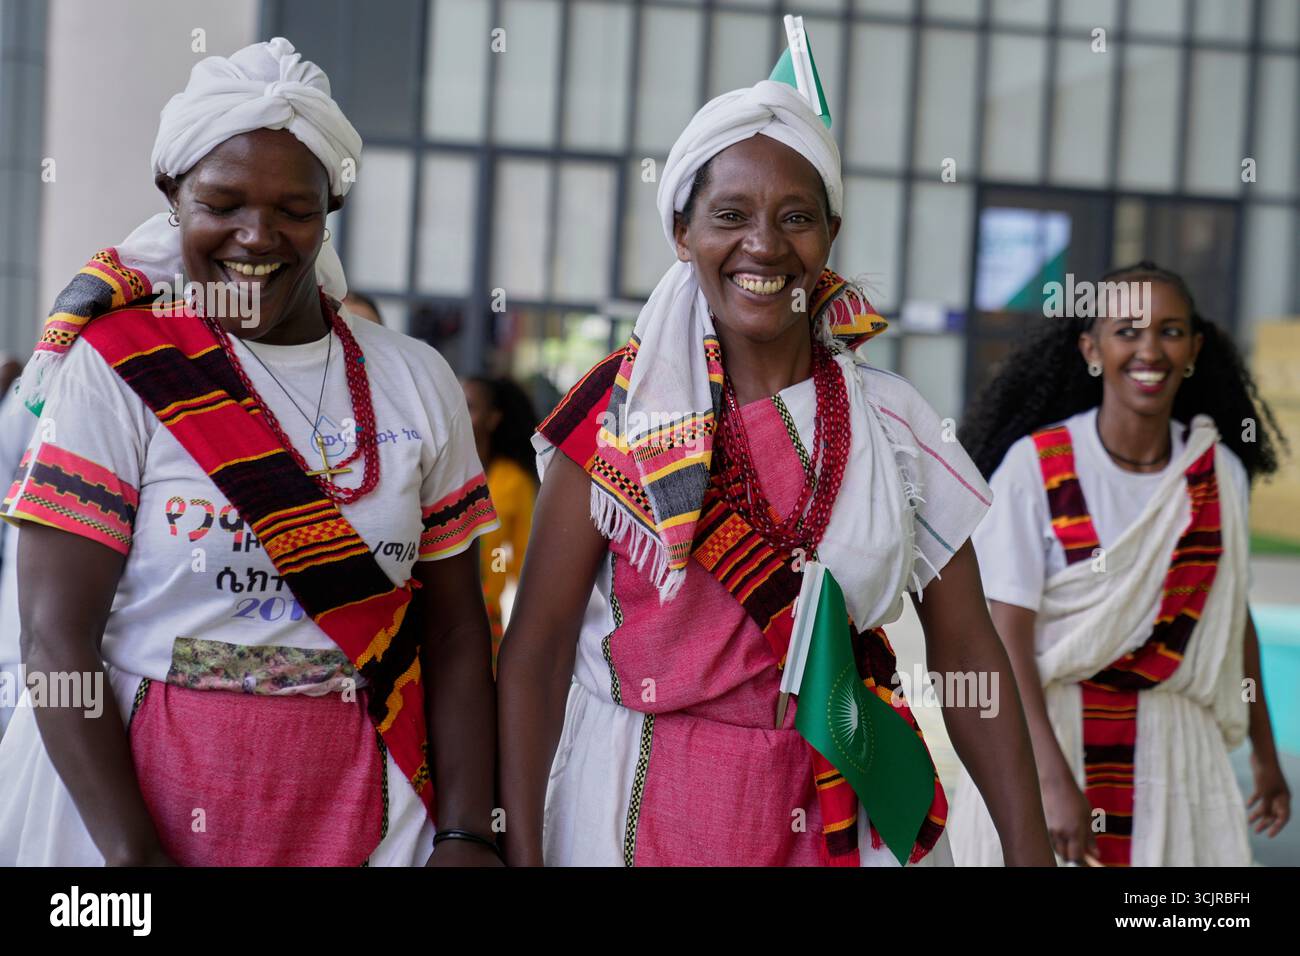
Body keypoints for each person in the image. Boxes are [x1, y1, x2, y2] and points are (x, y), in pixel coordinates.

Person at [497, 42, 1054, 867]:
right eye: (729, 215)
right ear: (682, 233)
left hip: (842, 798)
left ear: (830, 233)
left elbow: (970, 650)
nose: (764, 244)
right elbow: (535, 654)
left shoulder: (893, 424)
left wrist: (1028, 850)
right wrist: (518, 849)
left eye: (795, 216)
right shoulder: (615, 417)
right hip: (631, 802)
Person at [0, 38, 501, 867]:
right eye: (222, 202)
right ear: (174, 197)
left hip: (364, 802)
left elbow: (454, 632)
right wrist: (134, 859)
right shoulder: (118, 367)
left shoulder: (416, 380)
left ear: (329, 209)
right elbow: (55, 642)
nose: (255, 235)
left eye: (293, 210)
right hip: (133, 803)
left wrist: (467, 833)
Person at [950, 261, 1291, 866]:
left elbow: (1230, 621)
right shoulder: (1036, 465)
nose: (1149, 349)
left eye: (1170, 330)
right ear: (1092, 347)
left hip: (1174, 749)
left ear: (1194, 349)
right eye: (1127, 331)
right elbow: (1007, 637)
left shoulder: (1220, 474)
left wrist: (1265, 753)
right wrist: (1049, 782)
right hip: (1051, 733)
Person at [462, 376, 538, 666]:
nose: (457, 413)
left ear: (493, 419)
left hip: (484, 625)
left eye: (469, 406)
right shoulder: (431, 470)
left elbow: (524, 563)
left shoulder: (513, 482)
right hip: (429, 618)